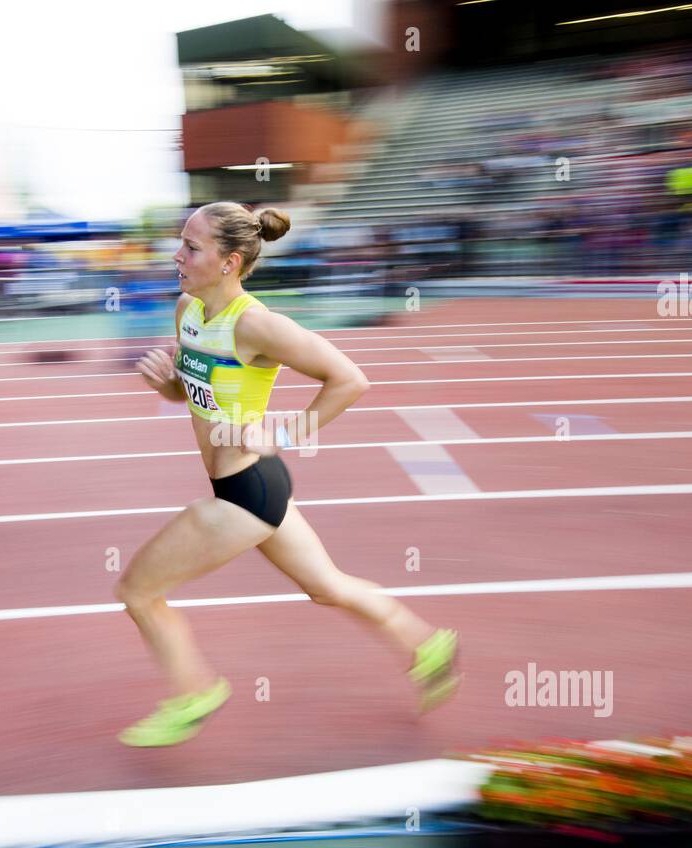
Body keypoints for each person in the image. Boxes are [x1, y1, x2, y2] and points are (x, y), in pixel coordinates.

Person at [115, 201, 461, 747]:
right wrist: (167, 386)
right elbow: (196, 388)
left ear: (229, 262)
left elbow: (349, 379)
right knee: (329, 588)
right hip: (254, 487)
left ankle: (193, 694)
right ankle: (427, 644)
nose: (176, 255)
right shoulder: (188, 310)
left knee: (138, 591)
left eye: (191, 247)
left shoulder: (257, 324)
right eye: (180, 243)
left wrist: (283, 434)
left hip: (245, 495)